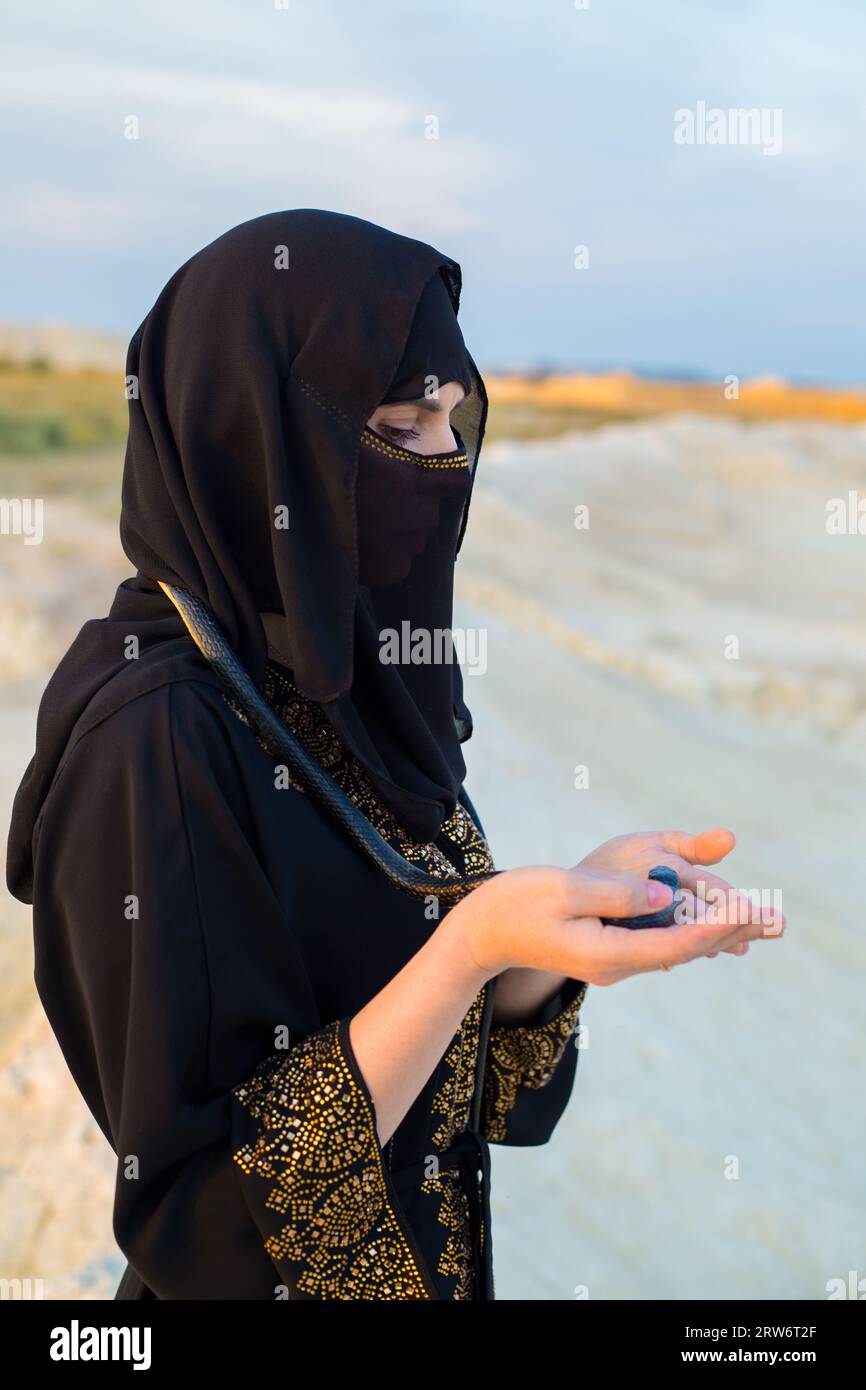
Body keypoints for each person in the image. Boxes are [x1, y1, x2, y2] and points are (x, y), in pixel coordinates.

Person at [5, 209, 782, 1301]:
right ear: (261, 433)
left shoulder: (347, 676)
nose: (444, 461)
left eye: (453, 422)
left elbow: (464, 1100)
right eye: (402, 426)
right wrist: (465, 945)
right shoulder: (154, 736)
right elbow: (199, 1225)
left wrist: (541, 944)